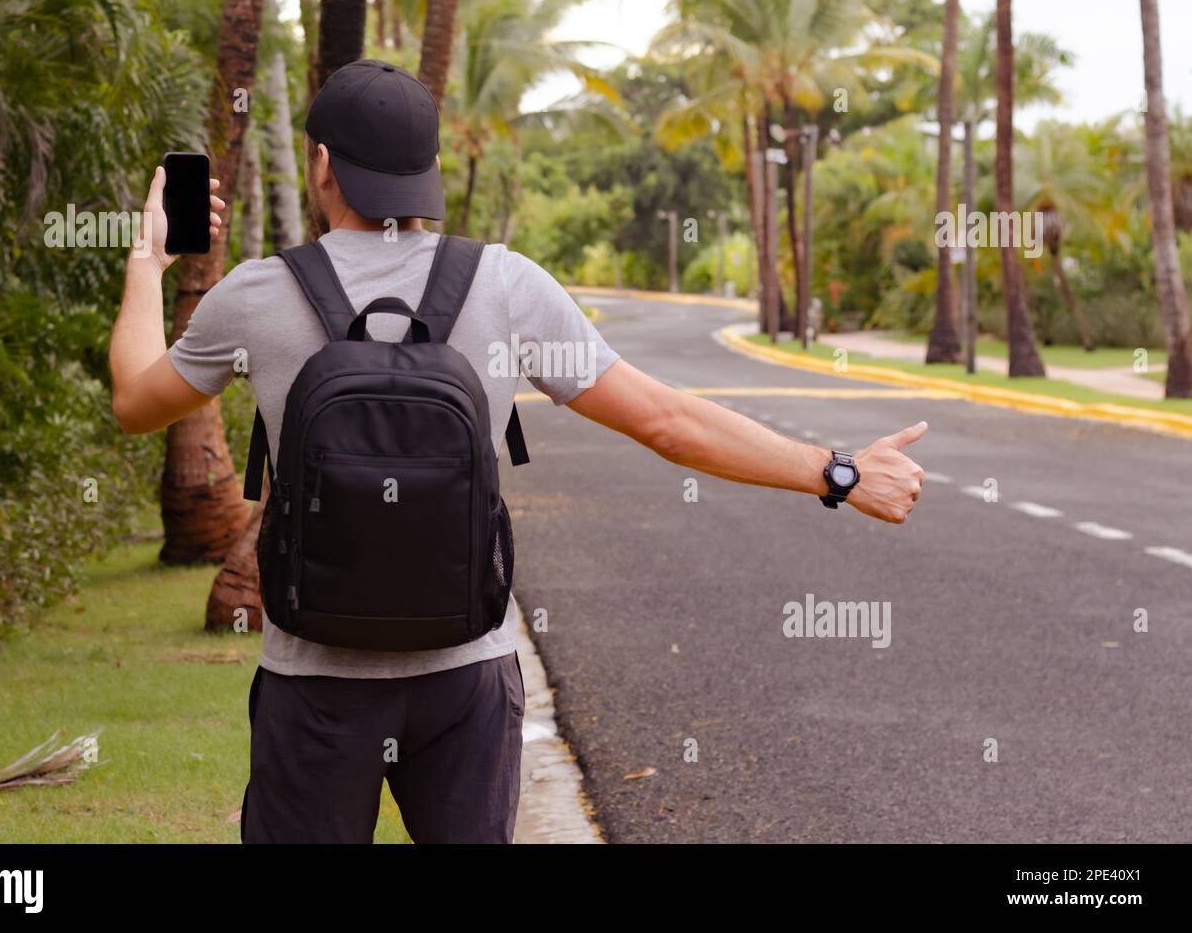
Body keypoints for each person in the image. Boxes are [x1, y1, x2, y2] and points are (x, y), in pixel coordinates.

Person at [109, 59, 926, 844]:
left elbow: (136, 403)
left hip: (315, 682)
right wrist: (839, 473)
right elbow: (668, 422)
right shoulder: (505, 285)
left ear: (322, 165)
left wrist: (149, 260)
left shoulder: (256, 294)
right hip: (466, 676)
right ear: (428, 169)